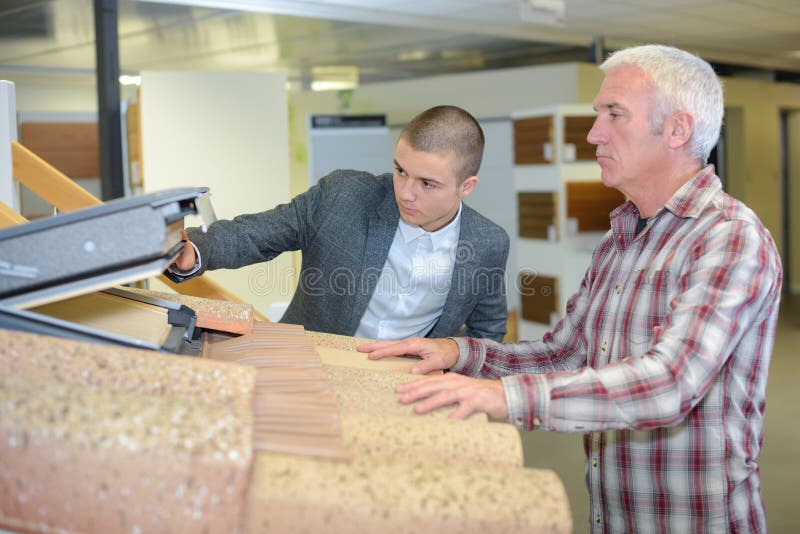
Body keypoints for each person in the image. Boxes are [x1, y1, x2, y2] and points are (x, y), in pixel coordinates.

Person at [361, 45, 782, 532]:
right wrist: (457, 352)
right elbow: (565, 353)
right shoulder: (621, 238)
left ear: (677, 129)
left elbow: (671, 383)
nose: (593, 133)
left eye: (614, 114)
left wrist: (508, 398)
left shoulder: (729, 237)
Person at [167, 105, 509, 341]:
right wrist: (196, 248)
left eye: (427, 184)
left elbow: (488, 331)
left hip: (409, 389)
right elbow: (258, 234)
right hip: (312, 369)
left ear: (466, 187)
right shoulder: (343, 195)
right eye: (401, 171)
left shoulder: (488, 243)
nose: (405, 193)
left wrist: (455, 388)